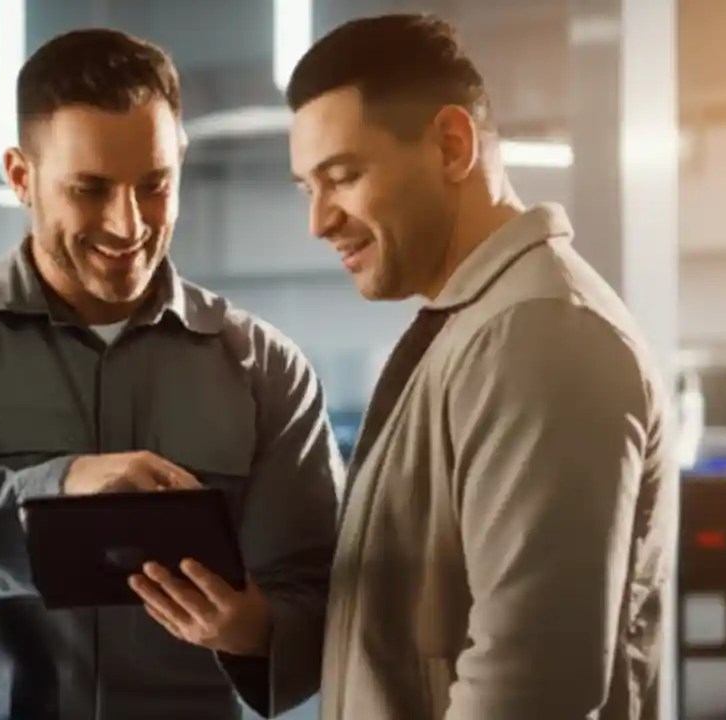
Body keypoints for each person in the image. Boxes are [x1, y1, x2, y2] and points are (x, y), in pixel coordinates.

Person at [0, 28, 340, 720]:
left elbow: (322, 592)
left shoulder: (264, 369)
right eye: (89, 189)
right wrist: (55, 491)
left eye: (154, 186)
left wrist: (253, 629)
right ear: (19, 176)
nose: (127, 225)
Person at [285, 13, 677, 720]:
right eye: (306, 188)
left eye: (342, 177)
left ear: (451, 144)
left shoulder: (539, 334)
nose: (319, 221)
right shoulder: (473, 327)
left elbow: (529, 685)